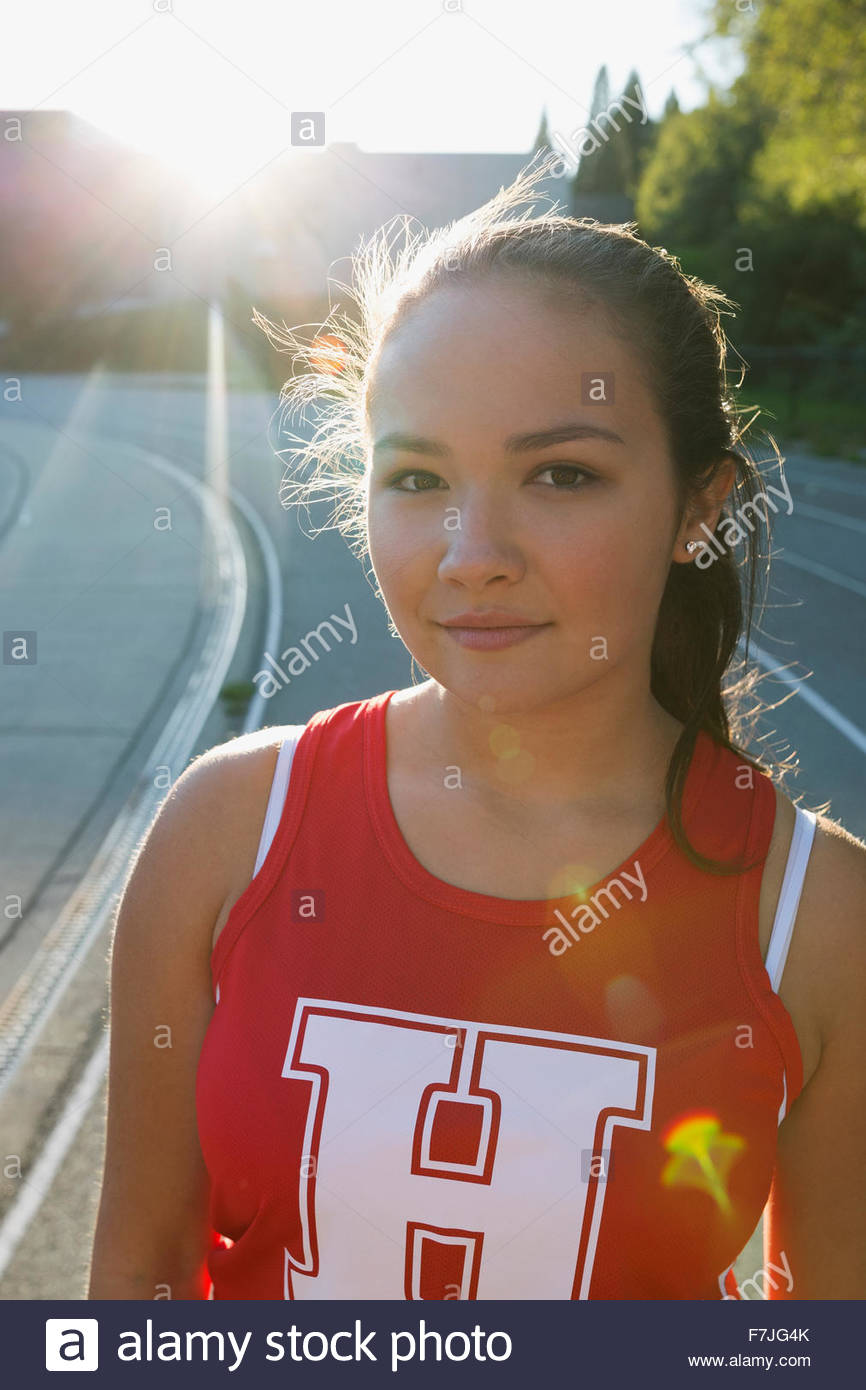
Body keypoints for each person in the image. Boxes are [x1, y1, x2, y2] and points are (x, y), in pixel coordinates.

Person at [88, 156, 866, 1300]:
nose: (469, 555)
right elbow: (132, 1292)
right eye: (414, 478)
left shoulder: (817, 913)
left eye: (558, 473)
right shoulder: (226, 829)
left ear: (698, 508)